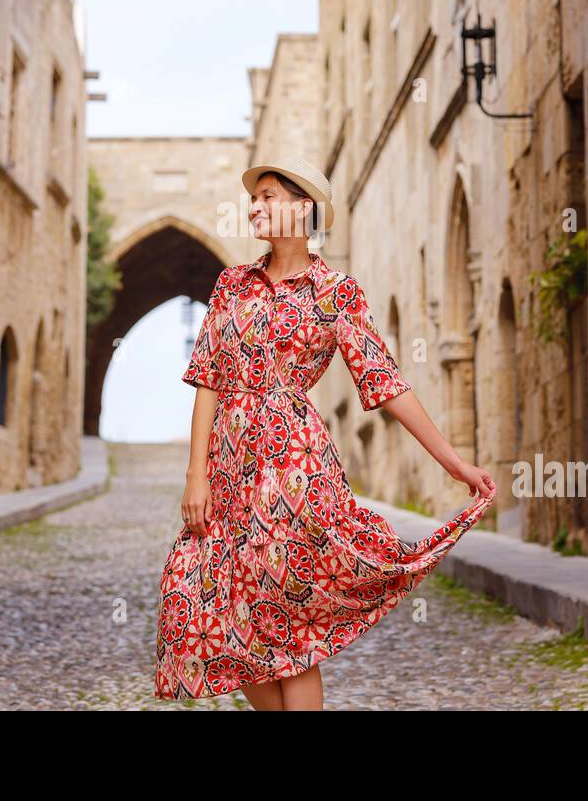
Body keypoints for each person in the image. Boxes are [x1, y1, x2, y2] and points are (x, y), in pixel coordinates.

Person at [153, 154, 496, 710]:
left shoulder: (335, 291)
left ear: (302, 207)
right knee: (212, 610)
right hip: (227, 469)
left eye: (268, 196)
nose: (255, 207)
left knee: (286, 622)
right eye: (254, 198)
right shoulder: (231, 285)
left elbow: (386, 382)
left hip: (295, 468)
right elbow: (208, 379)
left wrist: (453, 464)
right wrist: (196, 475)